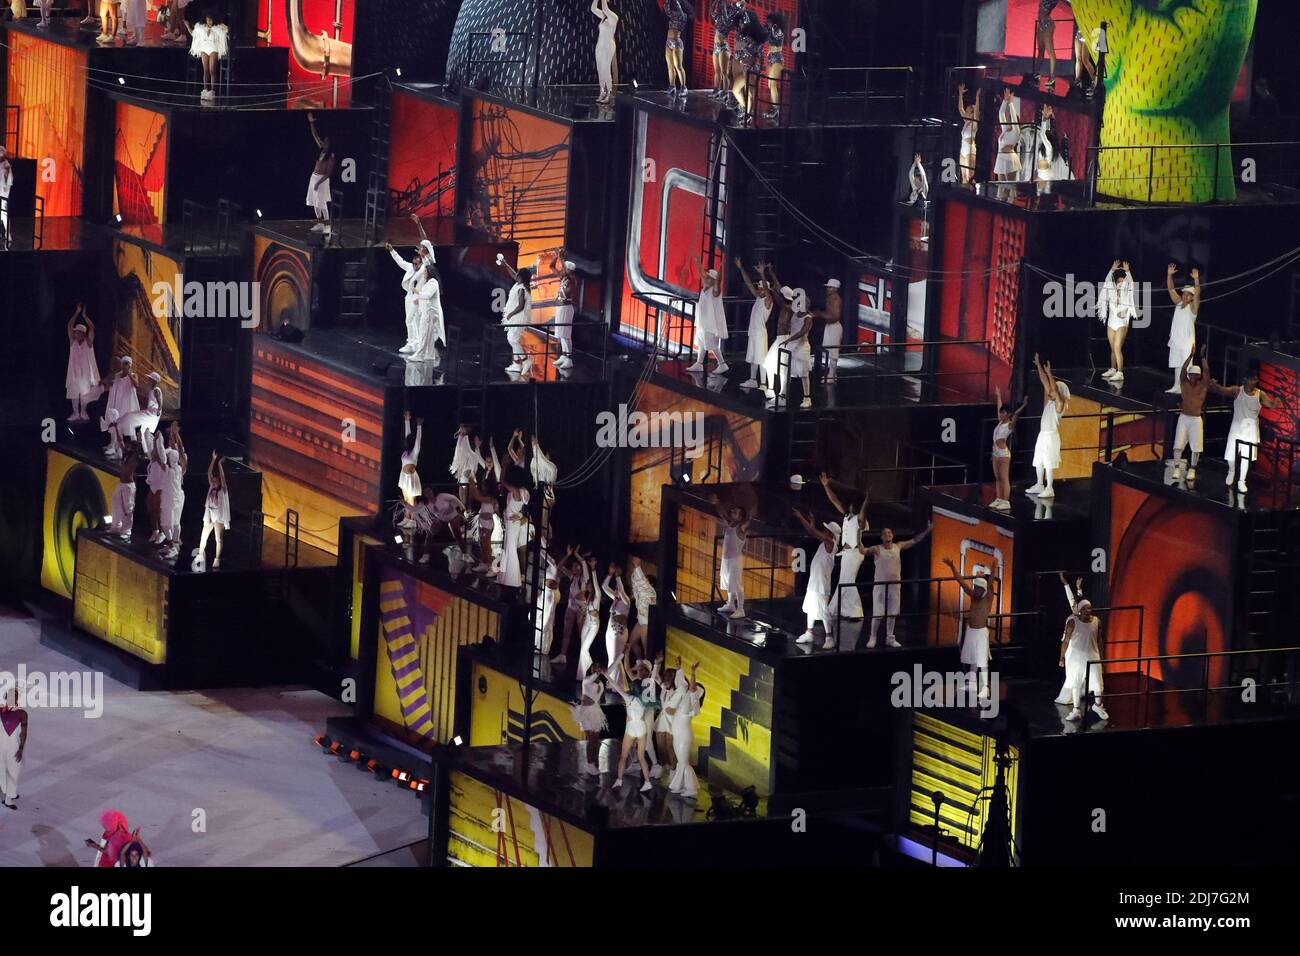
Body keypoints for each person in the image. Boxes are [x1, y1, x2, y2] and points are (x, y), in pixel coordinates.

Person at [859, 522, 932, 648]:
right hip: (880, 586)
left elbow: (914, 540)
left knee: (892, 613)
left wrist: (927, 530)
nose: (888, 535)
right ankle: (873, 637)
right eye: (885, 533)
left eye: (889, 532)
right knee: (878, 613)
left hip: (894, 586)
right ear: (881, 537)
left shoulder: (898, 546)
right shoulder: (877, 549)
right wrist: (858, 537)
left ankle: (890, 637)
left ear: (892, 535)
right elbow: (863, 551)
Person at [1055, 572, 1109, 721]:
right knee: (1074, 679)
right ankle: (1075, 706)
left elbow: (1080, 600)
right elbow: (1074, 600)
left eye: (1088, 608)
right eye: (1083, 608)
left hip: (1089, 650)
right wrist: (1066, 584)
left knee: (1095, 681)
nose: (1087, 610)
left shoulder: (1094, 620)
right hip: (1074, 649)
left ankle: (1095, 703)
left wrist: (1078, 588)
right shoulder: (1073, 619)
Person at [1215, 368, 1277, 494]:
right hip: (1237, 428)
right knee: (1231, 455)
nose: (1253, 382)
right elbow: (1222, 390)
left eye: (1255, 380)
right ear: (1246, 380)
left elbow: (1271, 405)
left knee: (1246, 457)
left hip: (1251, 430)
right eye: (1251, 379)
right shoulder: (1237, 390)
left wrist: (1276, 400)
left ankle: (1241, 481)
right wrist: (1214, 384)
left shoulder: (1260, 394)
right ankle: (1231, 471)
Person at [943, 557, 995, 700]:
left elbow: (991, 582)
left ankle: (986, 688)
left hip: (981, 633)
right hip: (971, 631)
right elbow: (960, 581)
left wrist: (993, 569)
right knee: (972, 658)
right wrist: (952, 566)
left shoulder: (988, 596)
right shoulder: (973, 595)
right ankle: (972, 683)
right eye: (975, 587)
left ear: (983, 589)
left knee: (982, 660)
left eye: (978, 588)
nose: (975, 590)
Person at [820, 472, 868, 618]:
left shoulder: (861, 521)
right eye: (851, 505)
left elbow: (863, 513)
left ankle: (855, 611)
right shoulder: (847, 517)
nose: (852, 507)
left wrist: (867, 499)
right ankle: (838, 608)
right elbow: (835, 501)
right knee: (843, 581)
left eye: (855, 506)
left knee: (848, 581)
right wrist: (826, 486)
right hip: (847, 553)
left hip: (855, 552)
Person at [791, 508, 839, 649]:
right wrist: (812, 523)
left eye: (826, 530)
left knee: (824, 611)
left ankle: (829, 637)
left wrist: (801, 517)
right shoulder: (824, 543)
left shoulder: (831, 543)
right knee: (811, 608)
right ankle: (809, 632)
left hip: (822, 584)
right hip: (814, 582)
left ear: (831, 533)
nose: (824, 531)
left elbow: (813, 532)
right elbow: (812, 532)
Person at [1027, 353, 1069, 499]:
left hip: (1051, 436)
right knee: (1038, 459)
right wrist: (1038, 365)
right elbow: (1044, 382)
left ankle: (1050, 488)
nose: (1050, 390)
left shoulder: (1060, 405)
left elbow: (1054, 391)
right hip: (1042, 434)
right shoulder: (1049, 402)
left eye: (1054, 389)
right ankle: (1039, 484)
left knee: (1048, 462)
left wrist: (1050, 373)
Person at [609, 658, 655, 791]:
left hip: (631, 728)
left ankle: (619, 780)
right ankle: (647, 782)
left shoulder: (628, 698)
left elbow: (616, 686)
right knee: (641, 757)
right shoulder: (645, 700)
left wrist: (606, 675)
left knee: (623, 756)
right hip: (641, 728)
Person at [1171, 344, 1211, 483]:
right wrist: (1190, 356)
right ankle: (1177, 468)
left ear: (1199, 376)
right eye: (1191, 374)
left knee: (1196, 446)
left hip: (1196, 419)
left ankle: (1192, 468)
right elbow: (1182, 370)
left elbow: (1207, 373)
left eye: (1195, 375)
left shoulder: (1203, 386)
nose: (1192, 377)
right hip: (1184, 417)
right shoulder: (1184, 383)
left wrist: (1202, 357)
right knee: (1178, 445)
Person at [709, 493, 749, 619]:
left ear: (740, 517)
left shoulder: (741, 527)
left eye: (736, 512)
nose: (733, 512)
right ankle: (730, 604)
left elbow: (747, 520)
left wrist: (751, 512)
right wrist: (717, 503)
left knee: (736, 584)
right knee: (729, 582)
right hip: (726, 559)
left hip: (735, 560)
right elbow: (722, 513)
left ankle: (741, 609)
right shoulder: (730, 524)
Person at [665, 660, 703, 797]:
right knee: (681, 761)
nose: (690, 686)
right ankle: (680, 785)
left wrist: (693, 672)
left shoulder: (692, 700)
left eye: (694, 686)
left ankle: (691, 789)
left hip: (683, 735)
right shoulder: (685, 696)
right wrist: (679, 667)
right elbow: (681, 681)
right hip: (678, 734)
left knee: (683, 761)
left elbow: (692, 687)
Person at [734, 257, 771, 389]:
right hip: (754, 332)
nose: (759, 290)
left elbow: (767, 289)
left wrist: (762, 273)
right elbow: (749, 284)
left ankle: (763, 384)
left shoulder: (768, 301)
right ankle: (752, 379)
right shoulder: (758, 298)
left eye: (761, 288)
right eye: (759, 288)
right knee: (753, 357)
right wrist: (741, 268)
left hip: (761, 333)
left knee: (761, 359)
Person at [990, 386, 1029, 510]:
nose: (1001, 414)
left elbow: (1016, 414)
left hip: (1003, 454)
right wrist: (999, 395)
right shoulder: (1000, 421)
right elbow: (999, 406)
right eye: (1001, 412)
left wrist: (1024, 404)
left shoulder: (1009, 426)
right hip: (995, 453)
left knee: (1004, 477)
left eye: (1003, 413)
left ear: (1008, 414)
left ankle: (1006, 501)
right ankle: (998, 498)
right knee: (997, 477)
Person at [687, 259, 728, 374]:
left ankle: (722, 364)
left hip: (711, 324)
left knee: (712, 345)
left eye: (708, 277)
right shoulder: (705, 289)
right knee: (701, 342)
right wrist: (697, 261)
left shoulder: (715, 291)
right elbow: (702, 274)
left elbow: (718, 281)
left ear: (712, 280)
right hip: (703, 323)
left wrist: (720, 269)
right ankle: (699, 364)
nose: (705, 278)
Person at [496, 255, 535, 376]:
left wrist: (510, 314)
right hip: (516, 316)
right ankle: (517, 364)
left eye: (518, 274)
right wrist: (505, 263)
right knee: (513, 338)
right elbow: (512, 274)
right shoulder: (519, 284)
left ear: (522, 277)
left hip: (519, 317)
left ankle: (526, 360)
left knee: (512, 339)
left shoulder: (522, 289)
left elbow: (521, 305)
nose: (516, 275)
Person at [387, 236, 426, 355]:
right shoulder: (410, 268)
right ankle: (412, 343)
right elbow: (401, 261)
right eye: (414, 263)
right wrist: (392, 251)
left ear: (421, 263)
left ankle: (416, 343)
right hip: (409, 296)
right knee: (409, 320)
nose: (414, 265)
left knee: (415, 320)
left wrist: (423, 253)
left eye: (417, 264)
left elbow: (429, 261)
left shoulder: (424, 270)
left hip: (418, 297)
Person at [1098, 260, 1136, 382]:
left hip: (1122, 323)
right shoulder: (1112, 293)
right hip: (1111, 322)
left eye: (1122, 282)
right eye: (1118, 282)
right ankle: (1113, 369)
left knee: (1117, 347)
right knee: (1112, 348)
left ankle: (1120, 372)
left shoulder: (1127, 294)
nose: (1120, 284)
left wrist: (1127, 272)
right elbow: (1107, 281)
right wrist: (1112, 270)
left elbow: (1131, 284)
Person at [1166, 264, 1200, 394]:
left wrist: (1196, 280)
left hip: (1187, 341)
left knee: (1186, 365)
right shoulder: (1179, 303)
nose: (1185, 296)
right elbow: (1170, 289)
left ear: (1191, 296)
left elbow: (1197, 296)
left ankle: (1186, 389)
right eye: (1184, 293)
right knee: (1176, 364)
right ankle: (1176, 386)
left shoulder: (1193, 308)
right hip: (1176, 340)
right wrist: (1169, 275)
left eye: (1188, 294)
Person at [65, 305, 102, 422]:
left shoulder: (88, 342)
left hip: (85, 374)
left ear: (83, 334)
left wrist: (85, 317)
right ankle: (75, 413)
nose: (76, 334)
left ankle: (83, 412)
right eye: (75, 332)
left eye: (78, 332)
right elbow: (69, 326)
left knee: (84, 395)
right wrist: (77, 312)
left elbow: (92, 328)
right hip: (73, 373)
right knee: (74, 393)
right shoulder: (73, 342)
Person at [194, 450, 229, 569]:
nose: (213, 482)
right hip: (209, 515)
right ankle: (200, 554)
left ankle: (217, 559)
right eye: (213, 481)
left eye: (215, 481)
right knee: (204, 536)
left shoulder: (222, 490)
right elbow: (209, 473)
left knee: (218, 539)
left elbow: (223, 478)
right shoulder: (212, 488)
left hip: (218, 517)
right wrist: (213, 460)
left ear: (219, 483)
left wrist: (219, 465)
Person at [101, 355, 140, 459]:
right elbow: (107, 383)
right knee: (115, 424)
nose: (126, 365)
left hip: (128, 405)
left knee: (129, 427)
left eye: (128, 363)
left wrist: (129, 374)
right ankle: (113, 446)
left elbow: (136, 385)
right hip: (118, 404)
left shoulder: (133, 375)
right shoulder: (117, 376)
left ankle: (137, 450)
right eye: (124, 363)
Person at [572, 663, 608, 775]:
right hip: (585, 712)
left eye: (598, 666)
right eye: (594, 666)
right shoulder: (586, 680)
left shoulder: (600, 682)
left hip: (596, 711)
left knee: (595, 738)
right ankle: (589, 764)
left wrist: (622, 654)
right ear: (591, 668)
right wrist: (598, 672)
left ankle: (593, 762)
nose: (596, 667)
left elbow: (611, 668)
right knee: (591, 737)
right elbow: (592, 679)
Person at [159, 423, 187, 559]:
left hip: (172, 497)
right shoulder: (180, 467)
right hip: (177, 496)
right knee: (175, 523)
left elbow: (176, 450)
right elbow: (177, 449)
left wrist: (156, 440)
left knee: (167, 523)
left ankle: (172, 545)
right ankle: (174, 544)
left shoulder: (170, 469)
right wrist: (174, 434)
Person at [306, 113, 336, 236]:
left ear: (330, 144)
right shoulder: (322, 150)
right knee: (314, 201)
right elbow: (315, 135)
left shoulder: (331, 157)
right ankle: (320, 224)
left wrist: (318, 183)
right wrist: (311, 122)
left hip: (322, 180)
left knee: (322, 203)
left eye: (326, 141)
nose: (324, 142)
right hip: (314, 177)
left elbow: (328, 174)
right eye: (324, 141)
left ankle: (327, 225)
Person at [498, 478, 530, 588]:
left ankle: (513, 579)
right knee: (507, 549)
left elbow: (503, 481)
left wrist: (505, 468)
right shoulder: (517, 492)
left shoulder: (517, 491)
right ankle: (506, 576)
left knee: (511, 550)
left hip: (513, 523)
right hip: (510, 522)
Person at [0, 682, 26, 810]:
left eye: (14, 697)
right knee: (2, 771)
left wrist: (21, 749)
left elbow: (24, 733)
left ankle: (9, 797)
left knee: (13, 771)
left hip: (14, 747)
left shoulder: (22, 713)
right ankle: (8, 795)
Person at [551, 255, 578, 369]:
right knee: (561, 333)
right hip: (560, 308)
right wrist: (556, 256)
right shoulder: (563, 278)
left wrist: (561, 256)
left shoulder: (573, 280)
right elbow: (551, 266)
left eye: (564, 268)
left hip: (566, 308)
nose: (562, 269)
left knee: (566, 334)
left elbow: (567, 275)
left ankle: (569, 358)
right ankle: (563, 355)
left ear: (569, 270)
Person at [111, 440, 141, 540]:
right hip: (121, 484)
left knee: (127, 509)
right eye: (126, 446)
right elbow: (120, 442)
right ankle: (115, 526)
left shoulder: (134, 458)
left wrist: (139, 441)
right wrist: (116, 429)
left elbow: (137, 451)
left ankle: (126, 531)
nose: (126, 447)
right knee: (116, 504)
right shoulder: (126, 456)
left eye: (129, 446)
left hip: (128, 486)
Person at [189, 16, 227, 95]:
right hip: (204, 49)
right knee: (206, 71)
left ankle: (212, 90)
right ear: (205, 20)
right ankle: (205, 89)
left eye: (211, 19)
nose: (209, 21)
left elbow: (226, 31)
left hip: (213, 49)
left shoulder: (218, 28)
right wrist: (186, 25)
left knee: (212, 70)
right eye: (207, 19)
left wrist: (225, 28)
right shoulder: (201, 28)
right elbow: (193, 34)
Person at [816, 278, 844, 384]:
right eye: (828, 287)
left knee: (833, 352)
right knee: (828, 350)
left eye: (830, 287)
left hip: (834, 327)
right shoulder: (830, 298)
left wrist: (820, 314)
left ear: (835, 289)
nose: (828, 289)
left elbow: (835, 316)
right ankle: (832, 373)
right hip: (829, 326)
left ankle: (831, 375)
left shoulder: (835, 299)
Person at [628, 555, 656, 659]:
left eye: (647, 580)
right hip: (640, 621)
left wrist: (637, 567)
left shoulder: (651, 592)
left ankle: (647, 667)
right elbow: (636, 585)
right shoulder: (642, 592)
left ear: (651, 584)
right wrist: (635, 569)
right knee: (632, 643)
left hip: (646, 623)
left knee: (646, 649)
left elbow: (642, 583)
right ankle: (640, 662)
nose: (644, 581)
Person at [664, 0, 693, 99]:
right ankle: (672, 86)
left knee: (678, 66)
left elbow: (679, 9)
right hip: (668, 42)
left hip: (676, 42)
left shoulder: (683, 16)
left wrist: (676, 1)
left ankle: (684, 87)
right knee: (670, 66)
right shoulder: (673, 15)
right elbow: (666, 9)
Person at [591, 0, 619, 105]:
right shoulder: (604, 17)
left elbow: (605, 9)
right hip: (600, 45)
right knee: (600, 70)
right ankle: (602, 91)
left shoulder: (614, 17)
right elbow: (593, 9)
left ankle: (609, 93)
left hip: (608, 46)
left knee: (606, 69)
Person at [994, 88, 1022, 182]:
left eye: (1010, 118)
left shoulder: (1016, 132)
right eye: (1009, 118)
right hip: (1000, 159)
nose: (1009, 119)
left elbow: (1014, 119)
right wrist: (1005, 101)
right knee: (1001, 190)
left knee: (1009, 187)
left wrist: (1011, 104)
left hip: (1009, 160)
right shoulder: (1004, 129)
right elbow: (1001, 113)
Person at [762, 12, 786, 120]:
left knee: (773, 84)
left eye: (769, 21)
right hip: (770, 58)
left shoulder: (778, 31)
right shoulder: (770, 30)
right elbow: (765, 38)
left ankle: (776, 110)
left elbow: (775, 38)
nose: (767, 23)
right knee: (769, 85)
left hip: (777, 59)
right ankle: (773, 107)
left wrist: (770, 29)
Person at [709, 0, 734, 99]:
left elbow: (724, 15)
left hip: (723, 47)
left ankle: (725, 92)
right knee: (717, 71)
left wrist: (723, 4)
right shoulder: (718, 18)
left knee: (724, 72)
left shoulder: (727, 21)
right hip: (716, 47)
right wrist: (716, 1)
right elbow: (712, 12)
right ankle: (716, 90)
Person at [957, 83, 981, 185]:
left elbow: (976, 114)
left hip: (970, 150)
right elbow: (960, 109)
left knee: (970, 176)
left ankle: (973, 192)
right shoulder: (966, 122)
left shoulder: (974, 124)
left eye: (968, 111)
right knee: (964, 177)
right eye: (966, 111)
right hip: (963, 149)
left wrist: (977, 98)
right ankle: (963, 193)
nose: (965, 112)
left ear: (972, 113)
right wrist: (960, 94)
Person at [398, 413, 423, 508]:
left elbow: (417, 440)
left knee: (412, 501)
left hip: (410, 478)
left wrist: (419, 427)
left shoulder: (415, 451)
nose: (406, 442)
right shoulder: (405, 452)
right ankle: (407, 519)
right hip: (403, 476)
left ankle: (413, 521)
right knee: (406, 501)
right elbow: (407, 435)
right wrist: (407, 420)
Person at [1035, 0, 1061, 85]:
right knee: (1041, 51)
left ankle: (1052, 77)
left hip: (1047, 25)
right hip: (1041, 25)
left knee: (1050, 51)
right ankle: (1036, 73)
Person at [0, 146, 13, 243]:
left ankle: (7, 234)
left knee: (4, 213)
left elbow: (9, 181)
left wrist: (6, 190)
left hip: (3, 192)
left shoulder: (6, 165)